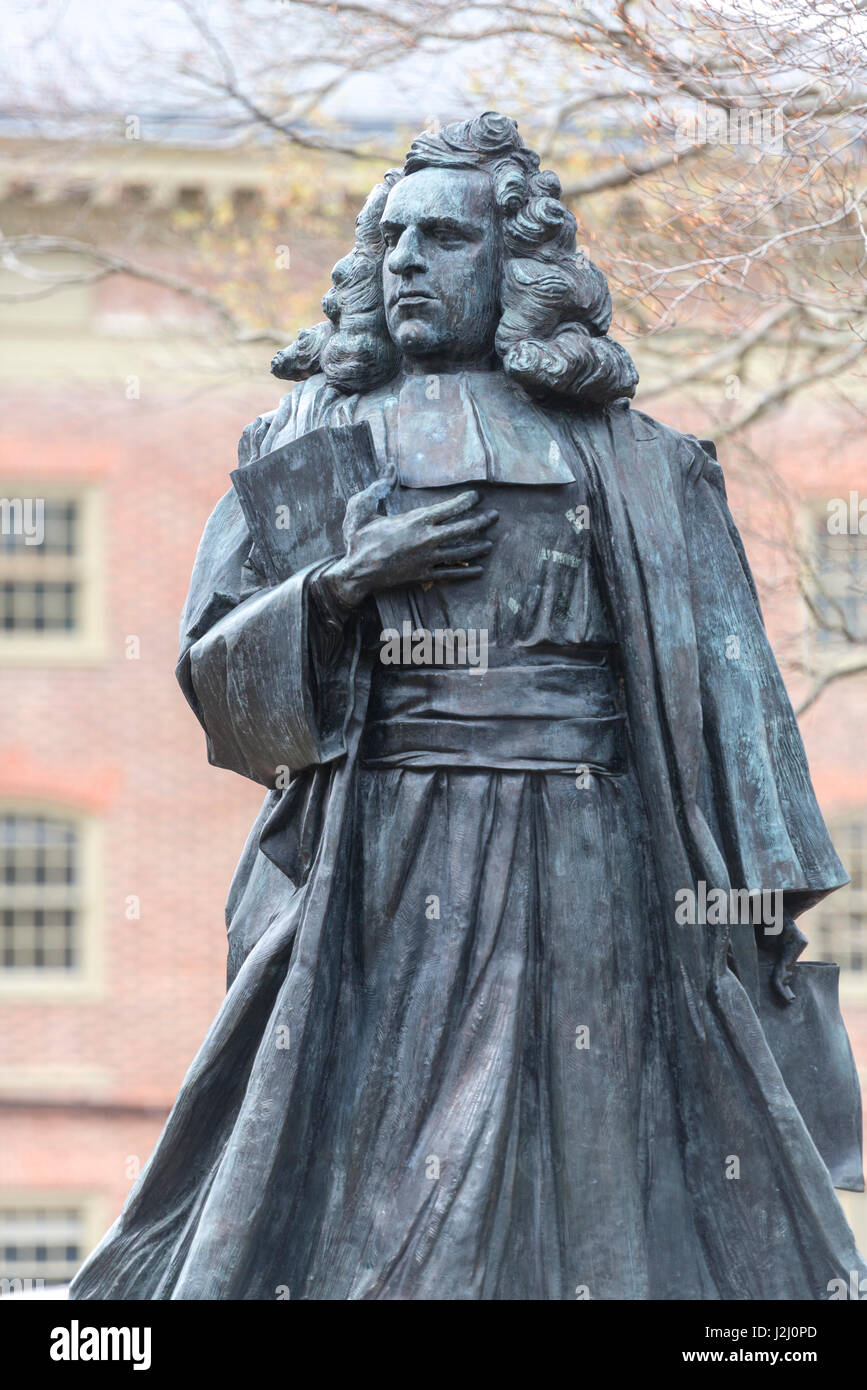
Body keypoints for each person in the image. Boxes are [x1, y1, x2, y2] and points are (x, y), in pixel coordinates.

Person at [71, 112, 864, 1301]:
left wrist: (759, 908)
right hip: (381, 858)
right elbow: (219, 688)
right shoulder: (308, 439)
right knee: (384, 1156)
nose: (405, 263)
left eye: (441, 238)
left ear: (512, 261)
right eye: (391, 240)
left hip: (589, 850)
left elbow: (741, 702)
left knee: (585, 1145)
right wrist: (341, 581)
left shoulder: (644, 463)